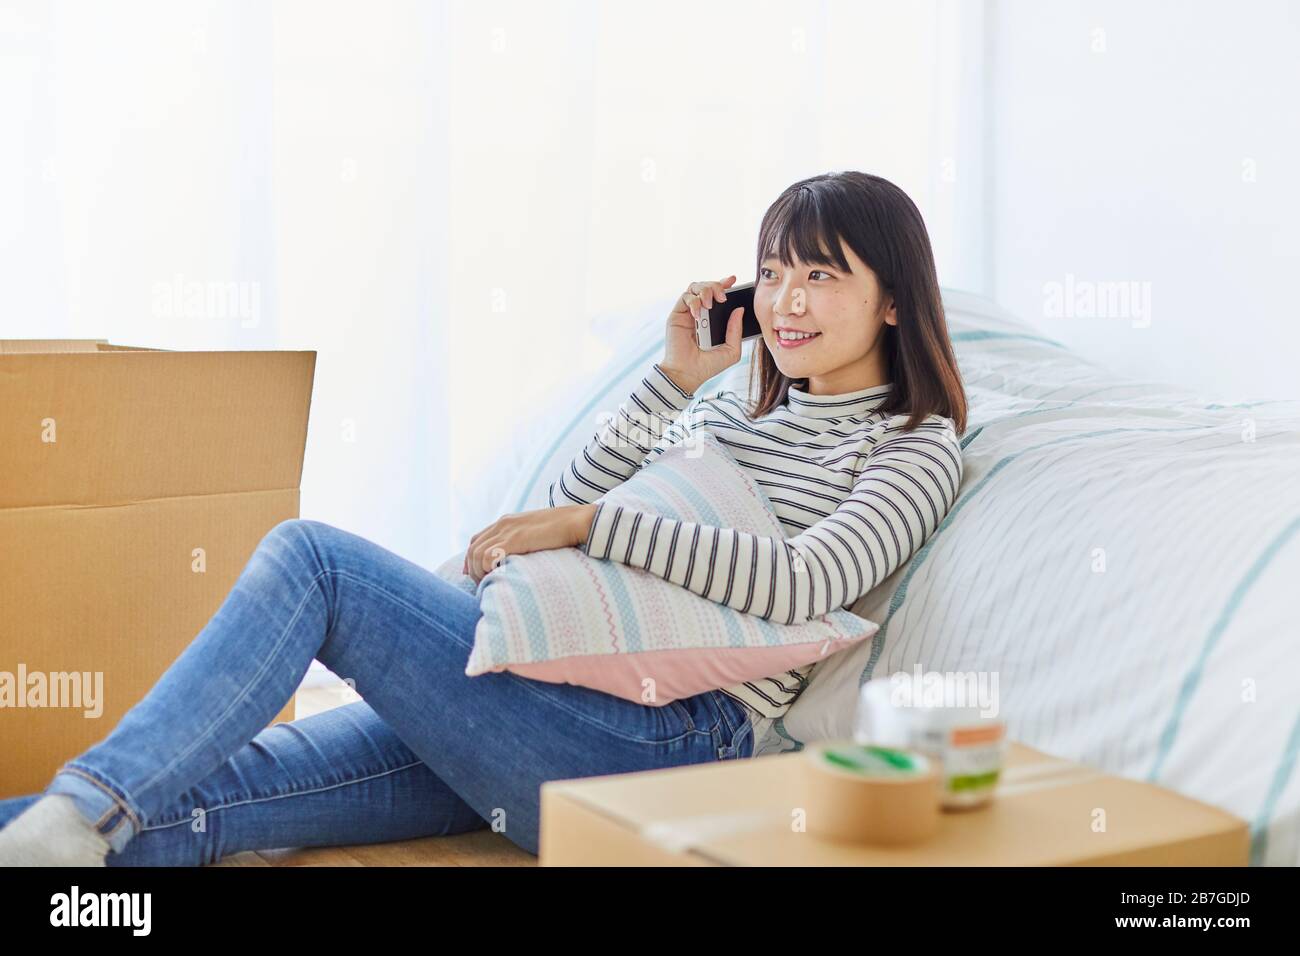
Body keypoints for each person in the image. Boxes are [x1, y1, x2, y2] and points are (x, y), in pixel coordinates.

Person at [0, 170, 966, 866]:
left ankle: (87, 800)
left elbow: (805, 584)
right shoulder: (726, 410)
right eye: (775, 272)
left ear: (892, 299)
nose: (788, 300)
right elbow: (561, 503)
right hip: (548, 703)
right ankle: (64, 825)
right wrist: (673, 382)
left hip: (668, 746)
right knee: (224, 797)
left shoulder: (914, 447)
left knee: (318, 564)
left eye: (823, 276)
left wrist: (593, 527)